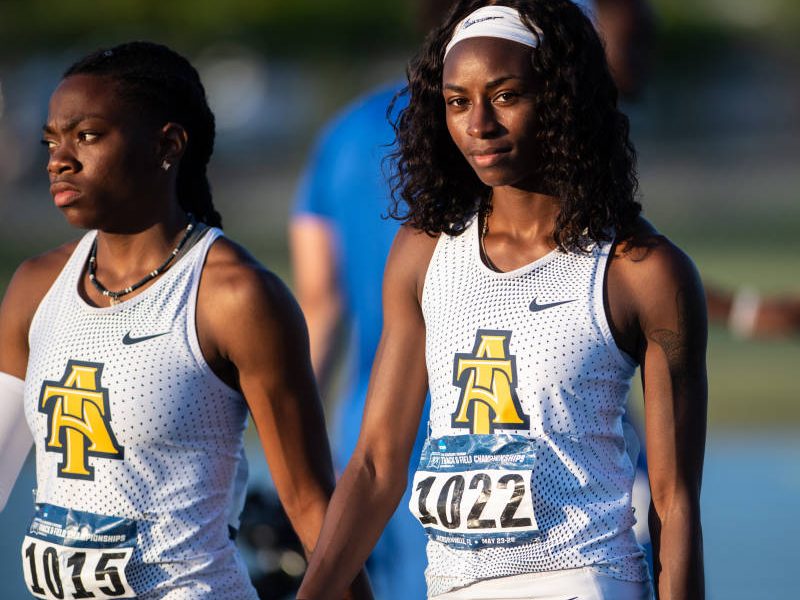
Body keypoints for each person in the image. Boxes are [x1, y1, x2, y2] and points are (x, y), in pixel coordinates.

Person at [296, 1, 707, 599]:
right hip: (451, 585)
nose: (479, 124)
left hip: (581, 582)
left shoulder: (640, 270)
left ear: (561, 98)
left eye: (507, 95)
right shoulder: (422, 252)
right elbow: (377, 466)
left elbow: (673, 501)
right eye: (458, 101)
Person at [0, 41, 370, 599]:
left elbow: (312, 507)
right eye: (51, 141)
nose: (59, 160)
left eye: (88, 136)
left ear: (167, 145)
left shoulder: (235, 296)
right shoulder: (35, 286)